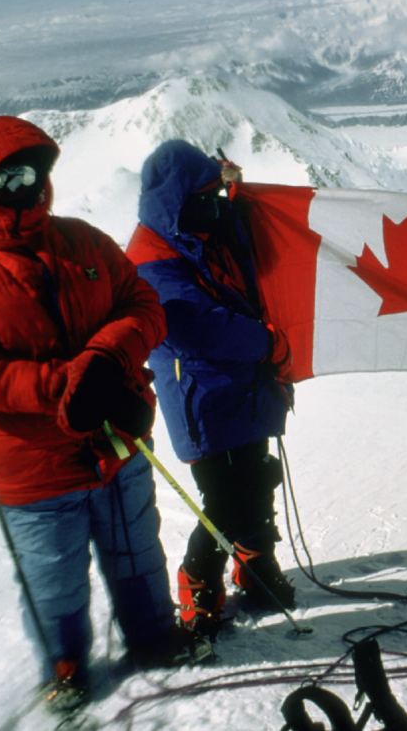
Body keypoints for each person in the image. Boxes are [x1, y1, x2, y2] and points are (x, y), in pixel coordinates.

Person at [0, 117, 204, 713]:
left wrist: (107, 358)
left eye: (31, 171)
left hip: (115, 440)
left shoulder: (85, 243)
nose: (23, 186)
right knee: (54, 582)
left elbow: (143, 304)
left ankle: (153, 638)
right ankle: (66, 667)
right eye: (2, 177)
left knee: (137, 554)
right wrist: (63, 385)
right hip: (32, 469)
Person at [126, 140, 295, 637]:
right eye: (204, 196)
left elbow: (242, 244)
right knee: (224, 500)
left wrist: (234, 193)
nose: (214, 205)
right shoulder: (149, 261)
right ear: (177, 202)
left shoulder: (197, 232)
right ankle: (197, 580)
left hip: (242, 389)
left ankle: (256, 567)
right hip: (202, 398)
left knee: (258, 477)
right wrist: (268, 343)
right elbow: (199, 328)